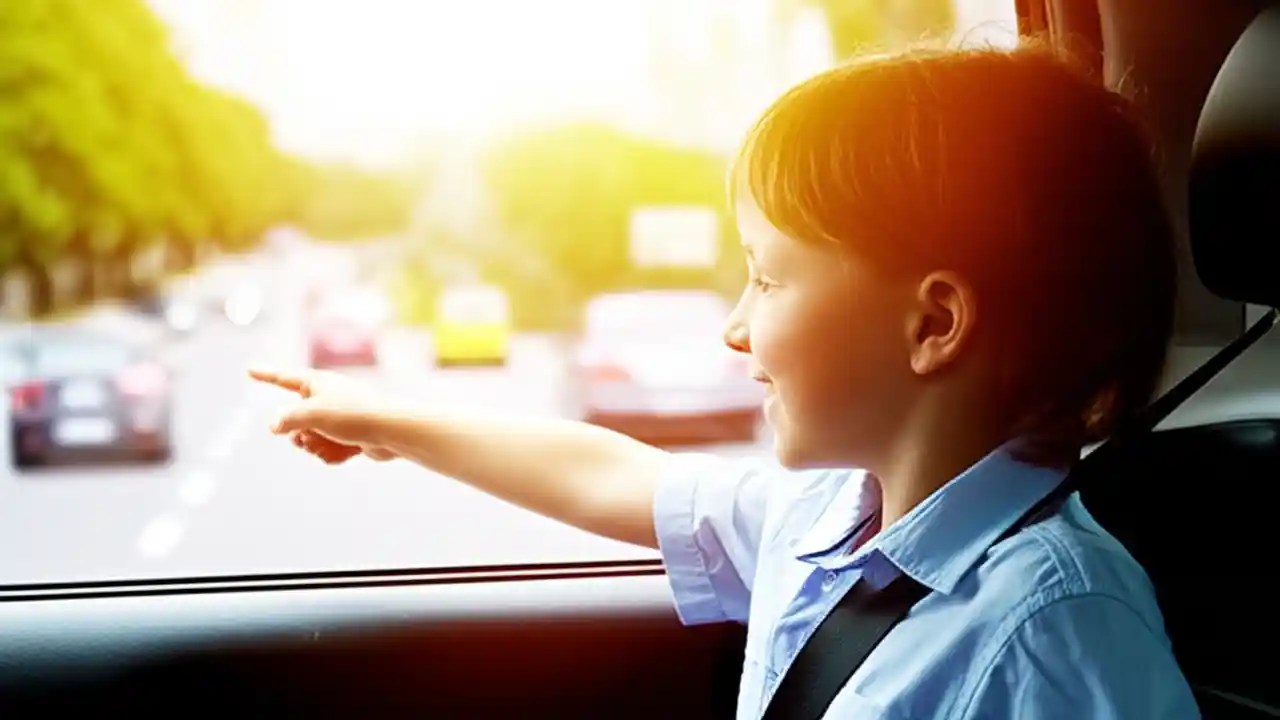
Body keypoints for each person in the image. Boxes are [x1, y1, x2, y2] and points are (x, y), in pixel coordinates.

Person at [250, 43, 1200, 719]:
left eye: (767, 276)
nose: (735, 329)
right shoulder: (825, 523)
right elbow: (611, 477)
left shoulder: (1061, 627)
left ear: (934, 325)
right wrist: (392, 423)